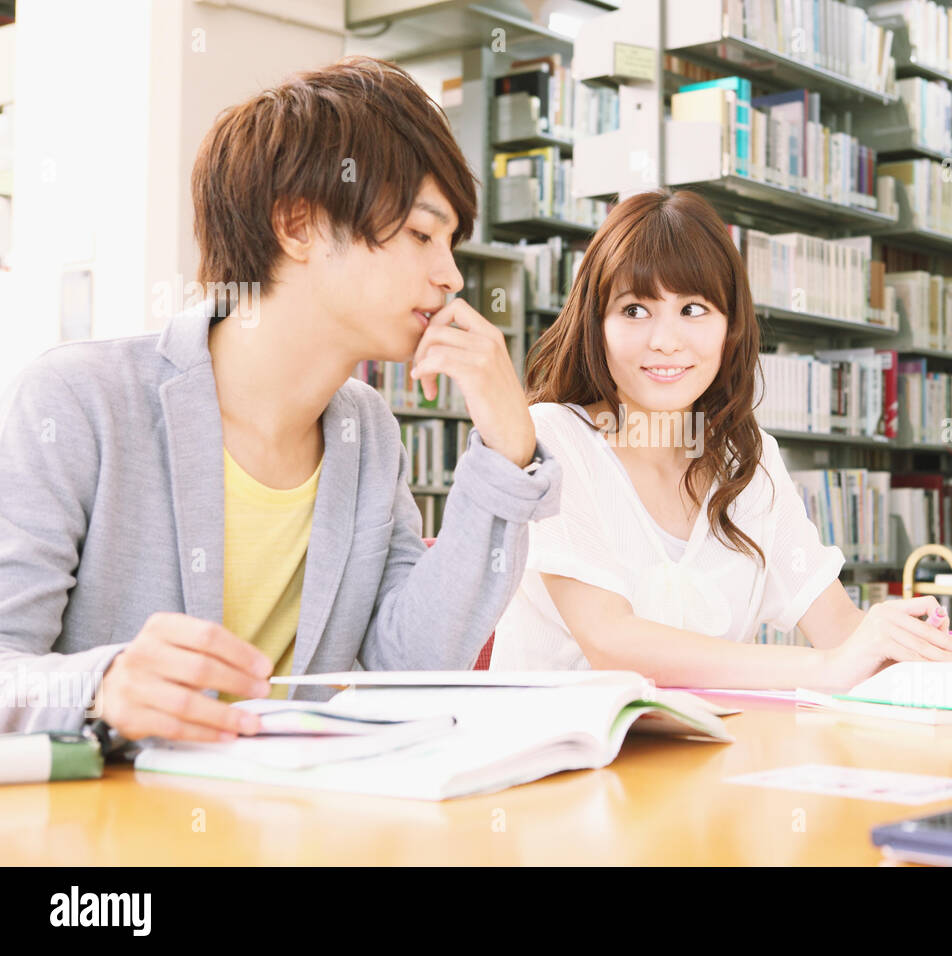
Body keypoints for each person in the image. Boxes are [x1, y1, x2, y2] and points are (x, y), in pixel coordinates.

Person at [0, 56, 559, 741]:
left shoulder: (369, 433)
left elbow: (411, 665)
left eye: (450, 244)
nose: (450, 277)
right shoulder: (77, 401)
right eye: (421, 234)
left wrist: (507, 451)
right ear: (297, 226)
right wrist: (104, 685)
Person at [489, 188, 952, 689]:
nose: (665, 340)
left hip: (702, 759)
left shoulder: (748, 460)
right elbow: (611, 642)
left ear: (729, 327)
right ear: (596, 325)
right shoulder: (551, 438)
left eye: (693, 309)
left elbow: (839, 632)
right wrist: (827, 668)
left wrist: (901, 644)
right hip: (560, 760)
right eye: (634, 310)